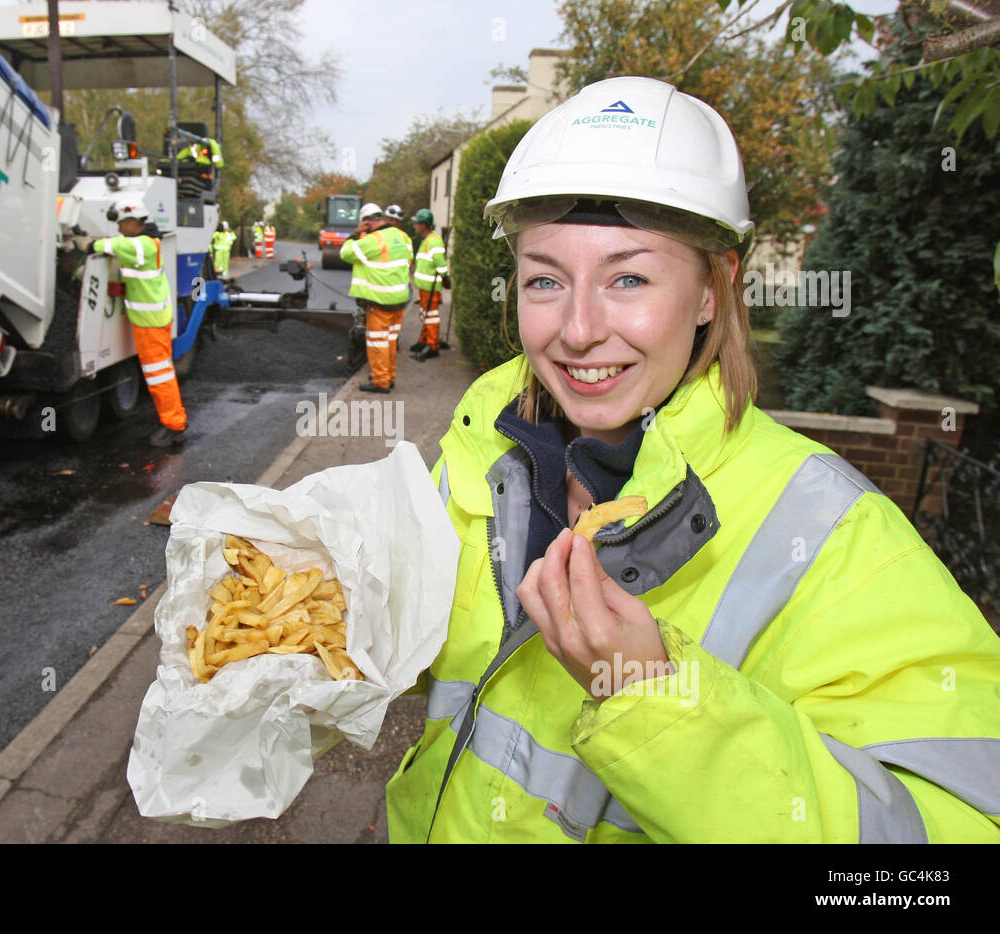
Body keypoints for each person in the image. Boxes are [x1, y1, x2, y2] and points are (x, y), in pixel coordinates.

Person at [384, 76, 1000, 843]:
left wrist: (658, 701)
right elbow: (436, 656)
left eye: (629, 278)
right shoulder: (485, 449)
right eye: (545, 279)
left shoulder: (832, 535)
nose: (577, 329)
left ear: (713, 290)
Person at [88, 198, 187, 447]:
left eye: (122, 224)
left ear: (133, 223)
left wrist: (88, 244)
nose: (120, 229)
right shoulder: (146, 244)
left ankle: (174, 425)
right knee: (160, 375)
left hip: (151, 323)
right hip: (150, 320)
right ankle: (173, 421)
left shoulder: (143, 245)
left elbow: (116, 246)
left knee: (159, 376)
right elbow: (136, 279)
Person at [340, 202, 412, 392]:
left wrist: (356, 233)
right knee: (389, 340)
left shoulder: (373, 240)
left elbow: (346, 252)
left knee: (377, 342)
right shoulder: (402, 236)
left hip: (380, 301)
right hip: (399, 299)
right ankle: (388, 377)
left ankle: (381, 382)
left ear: (367, 222)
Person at [409, 207, 448, 361]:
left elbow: (441, 264)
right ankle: (424, 341)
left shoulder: (434, 240)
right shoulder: (427, 240)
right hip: (425, 287)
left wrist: (445, 277)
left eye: (417, 223)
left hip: (431, 286)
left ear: (424, 224)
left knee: (431, 316)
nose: (415, 225)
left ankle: (432, 346)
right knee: (425, 315)